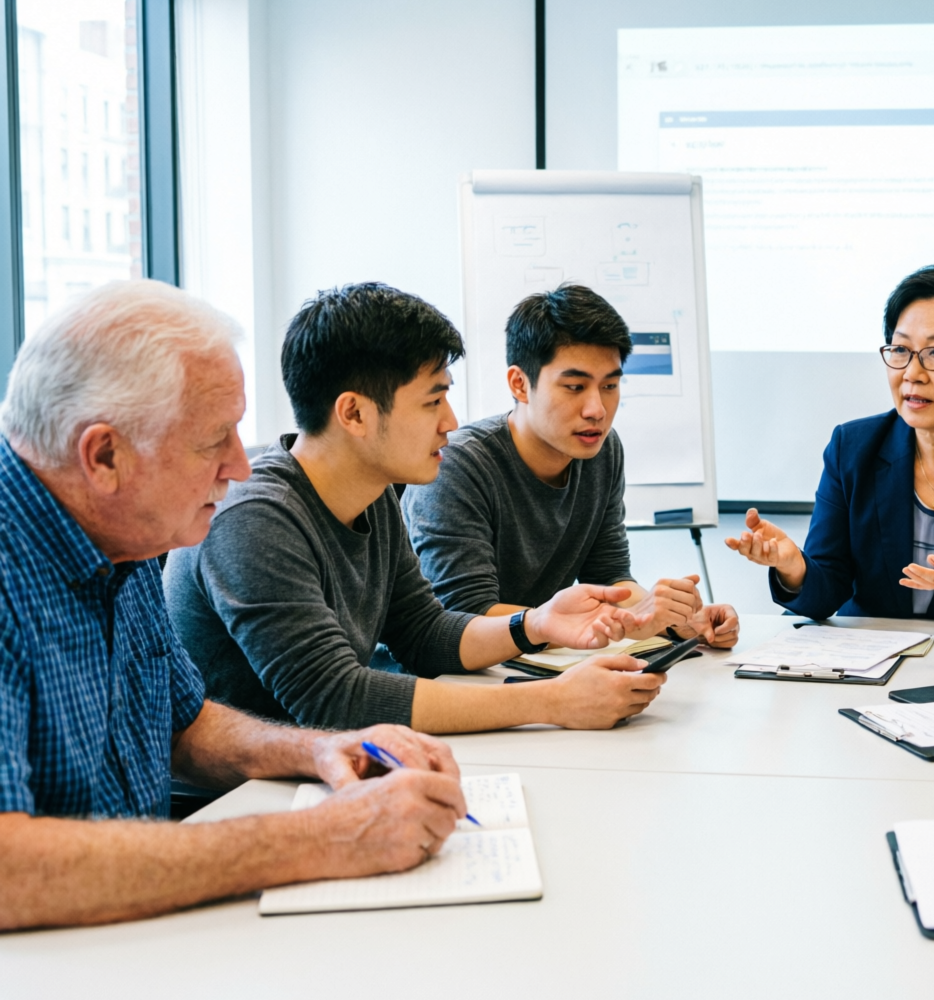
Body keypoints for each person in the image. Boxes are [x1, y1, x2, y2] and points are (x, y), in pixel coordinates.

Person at [0, 282, 473, 931]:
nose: (238, 465)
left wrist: (322, 751)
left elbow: (185, 724)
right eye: (213, 440)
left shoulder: (127, 536)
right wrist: (320, 838)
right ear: (104, 455)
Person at [166, 283, 665, 735]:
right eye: (433, 402)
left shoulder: (375, 492)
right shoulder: (256, 518)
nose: (450, 422)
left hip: (328, 767)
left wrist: (535, 624)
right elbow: (335, 700)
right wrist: (552, 702)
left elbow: (425, 634)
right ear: (355, 413)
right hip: (232, 798)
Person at [726, 265, 934, 628]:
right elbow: (828, 589)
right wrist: (794, 566)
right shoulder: (853, 448)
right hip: (865, 667)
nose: (911, 374)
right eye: (901, 349)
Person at [402, 283, 738, 648]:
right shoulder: (459, 467)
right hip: (451, 674)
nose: (597, 409)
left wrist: (674, 619)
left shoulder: (601, 450)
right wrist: (602, 622)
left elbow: (610, 575)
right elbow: (467, 612)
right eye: (575, 387)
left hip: (536, 663)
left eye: (609, 386)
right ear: (519, 384)